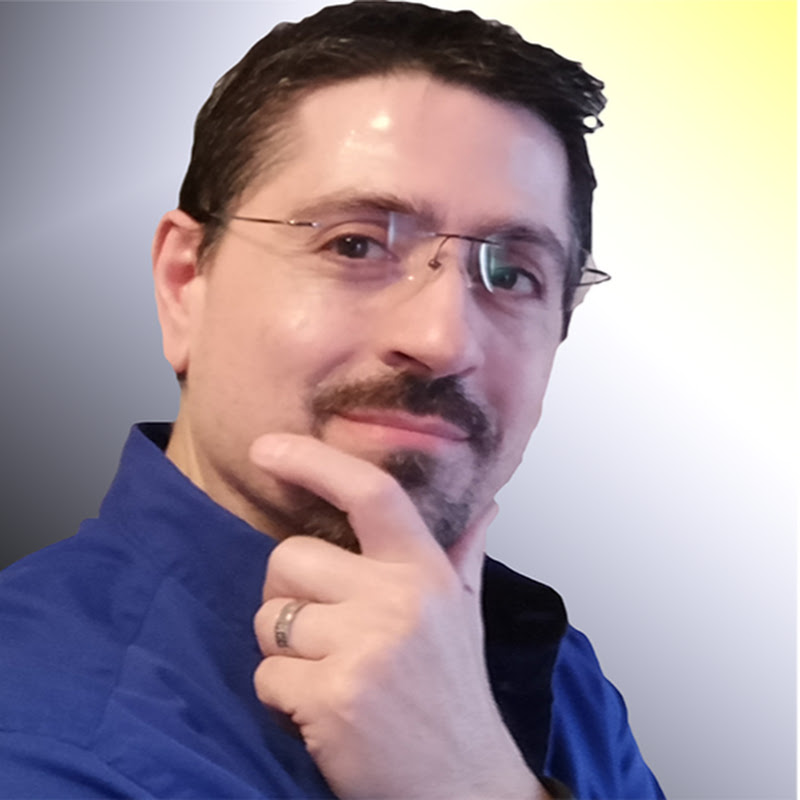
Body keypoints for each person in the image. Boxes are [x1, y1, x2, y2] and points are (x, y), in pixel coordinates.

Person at [0, 2, 664, 798]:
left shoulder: (565, 677)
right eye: (355, 244)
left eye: (513, 274)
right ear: (184, 285)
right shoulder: (35, 740)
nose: (442, 339)